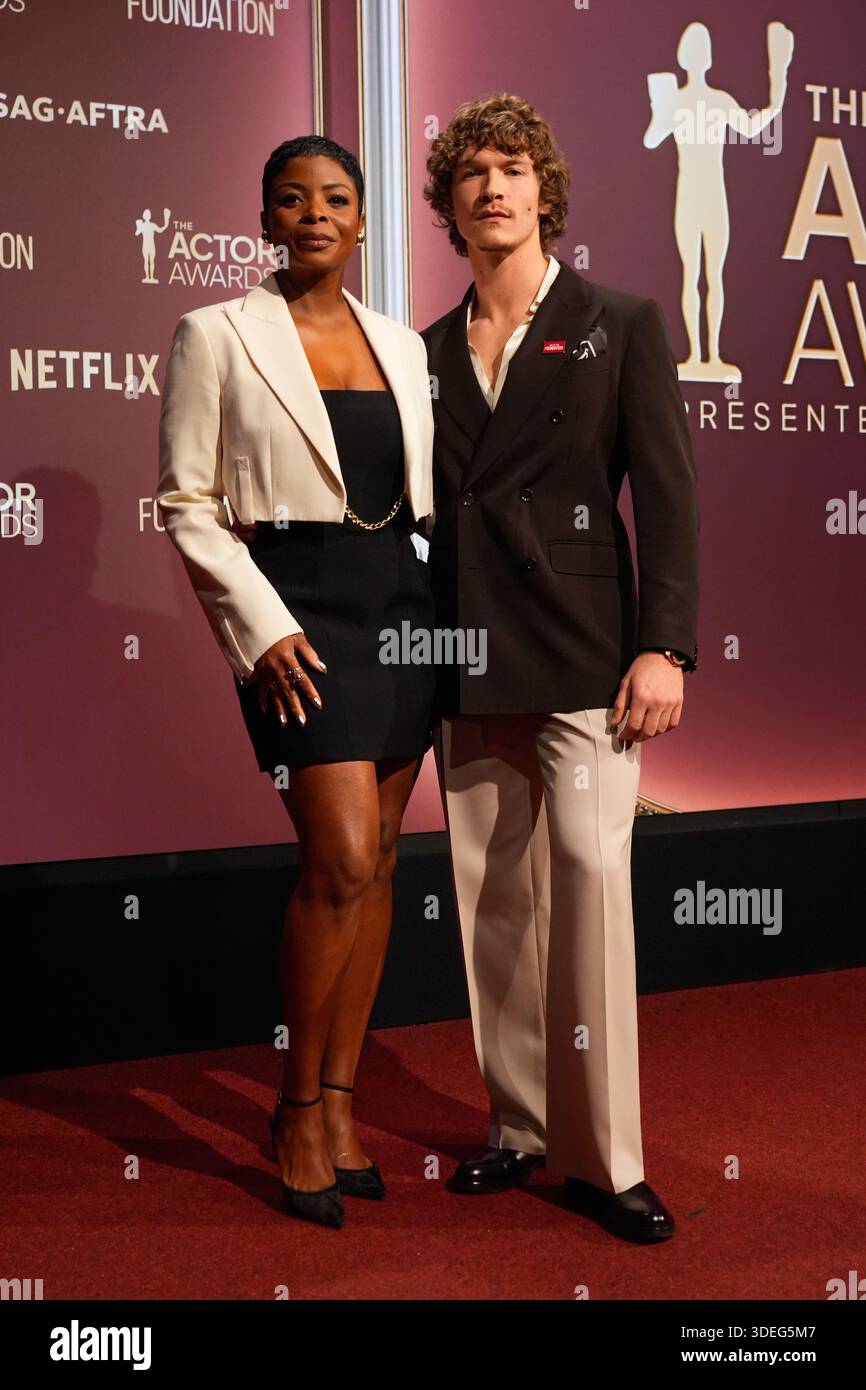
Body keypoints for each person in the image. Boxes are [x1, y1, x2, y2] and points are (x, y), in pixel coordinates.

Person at [420, 93, 700, 1243]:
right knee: (495, 907)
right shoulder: (422, 350)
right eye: (469, 173)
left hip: (589, 655)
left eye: (510, 169)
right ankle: (518, 1127)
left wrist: (664, 642)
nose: (491, 187)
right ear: (446, 204)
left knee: (587, 891)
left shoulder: (616, 321)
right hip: (468, 652)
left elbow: (669, 493)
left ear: (545, 192)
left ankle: (605, 1159)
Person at [156, 136, 435, 1230]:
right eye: (290, 199)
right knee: (339, 856)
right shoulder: (214, 334)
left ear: (362, 221)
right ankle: (292, 1108)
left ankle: (342, 1099)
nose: (313, 213)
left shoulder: (404, 345)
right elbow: (186, 503)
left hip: (402, 613)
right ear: (264, 219)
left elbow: (422, 498)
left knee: (381, 869)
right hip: (296, 615)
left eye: (334, 198)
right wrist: (256, 628)